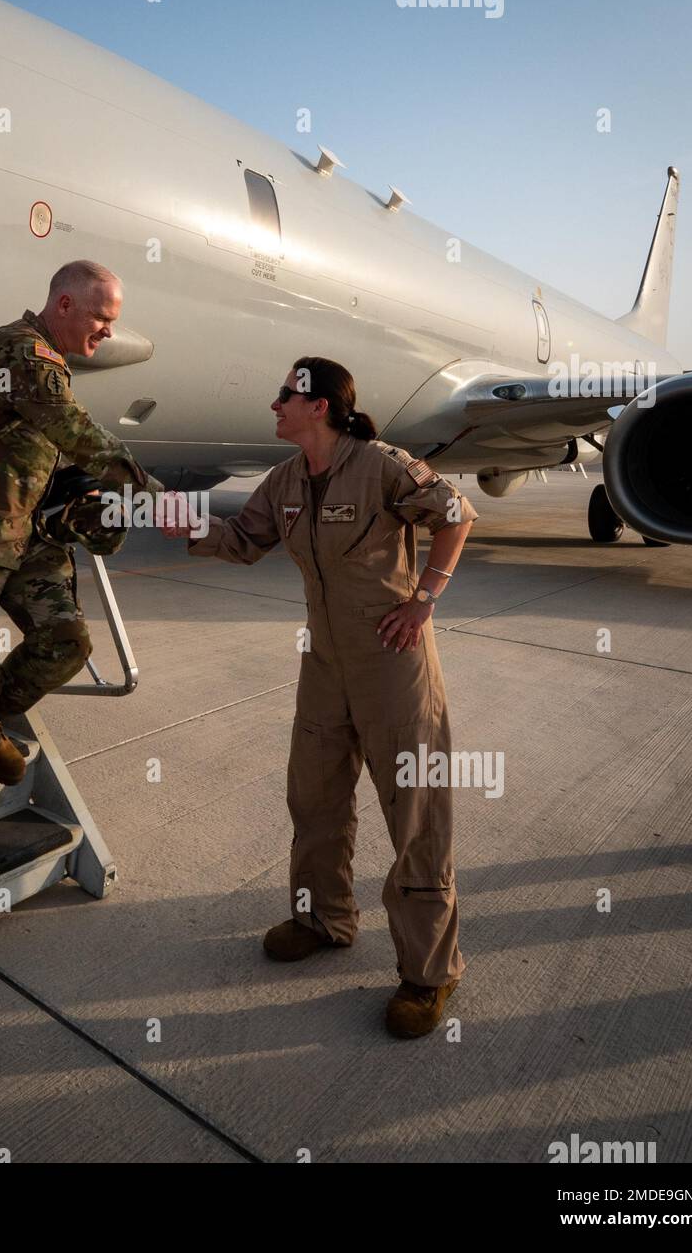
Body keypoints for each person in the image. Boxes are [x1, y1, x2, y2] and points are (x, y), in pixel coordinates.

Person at [158, 358, 478, 1039]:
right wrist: (185, 526)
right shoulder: (284, 481)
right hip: (324, 664)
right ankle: (322, 918)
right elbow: (241, 543)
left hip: (394, 663)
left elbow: (456, 515)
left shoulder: (384, 465)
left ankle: (430, 971)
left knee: (415, 811)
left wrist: (424, 600)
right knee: (315, 796)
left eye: (286, 397)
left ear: (321, 406)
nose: (274, 406)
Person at [0, 261, 162, 890]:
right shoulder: (20, 351)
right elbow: (74, 432)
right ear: (66, 304)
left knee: (66, 642)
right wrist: (152, 492)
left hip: (18, 538)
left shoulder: (50, 363)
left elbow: (42, 457)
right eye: (102, 317)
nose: (107, 331)